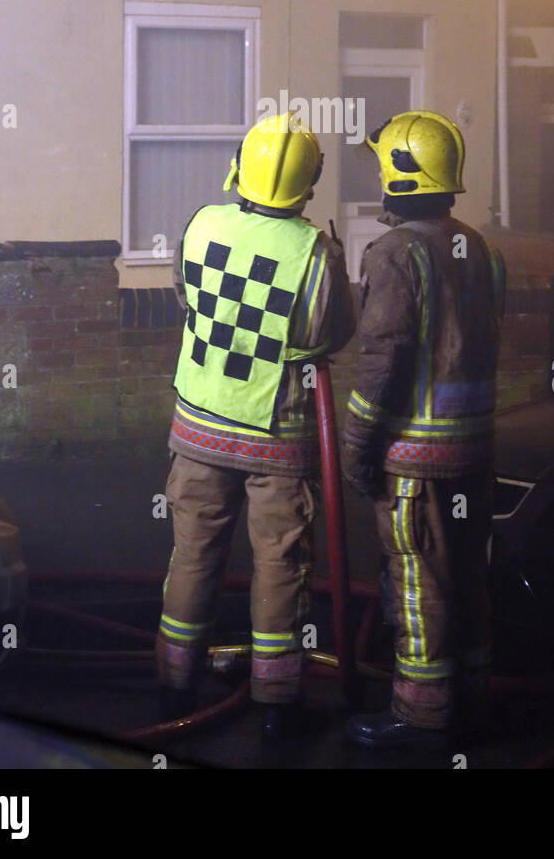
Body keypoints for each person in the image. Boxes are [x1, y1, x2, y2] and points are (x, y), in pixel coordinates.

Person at [157, 111, 355, 740]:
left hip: (196, 432)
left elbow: (187, 296)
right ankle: (277, 702)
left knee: (192, 554)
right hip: (277, 439)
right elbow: (332, 334)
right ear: (309, 183)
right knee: (279, 564)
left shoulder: (201, 225)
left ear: (239, 168)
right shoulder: (316, 254)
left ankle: (173, 684)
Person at [341, 110, 505, 751]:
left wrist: (358, 448)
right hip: (476, 453)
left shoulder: (395, 253)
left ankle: (420, 717)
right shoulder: (481, 249)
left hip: (415, 461)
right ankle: (471, 701)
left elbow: (382, 360)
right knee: (467, 580)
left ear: (397, 173)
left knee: (419, 585)